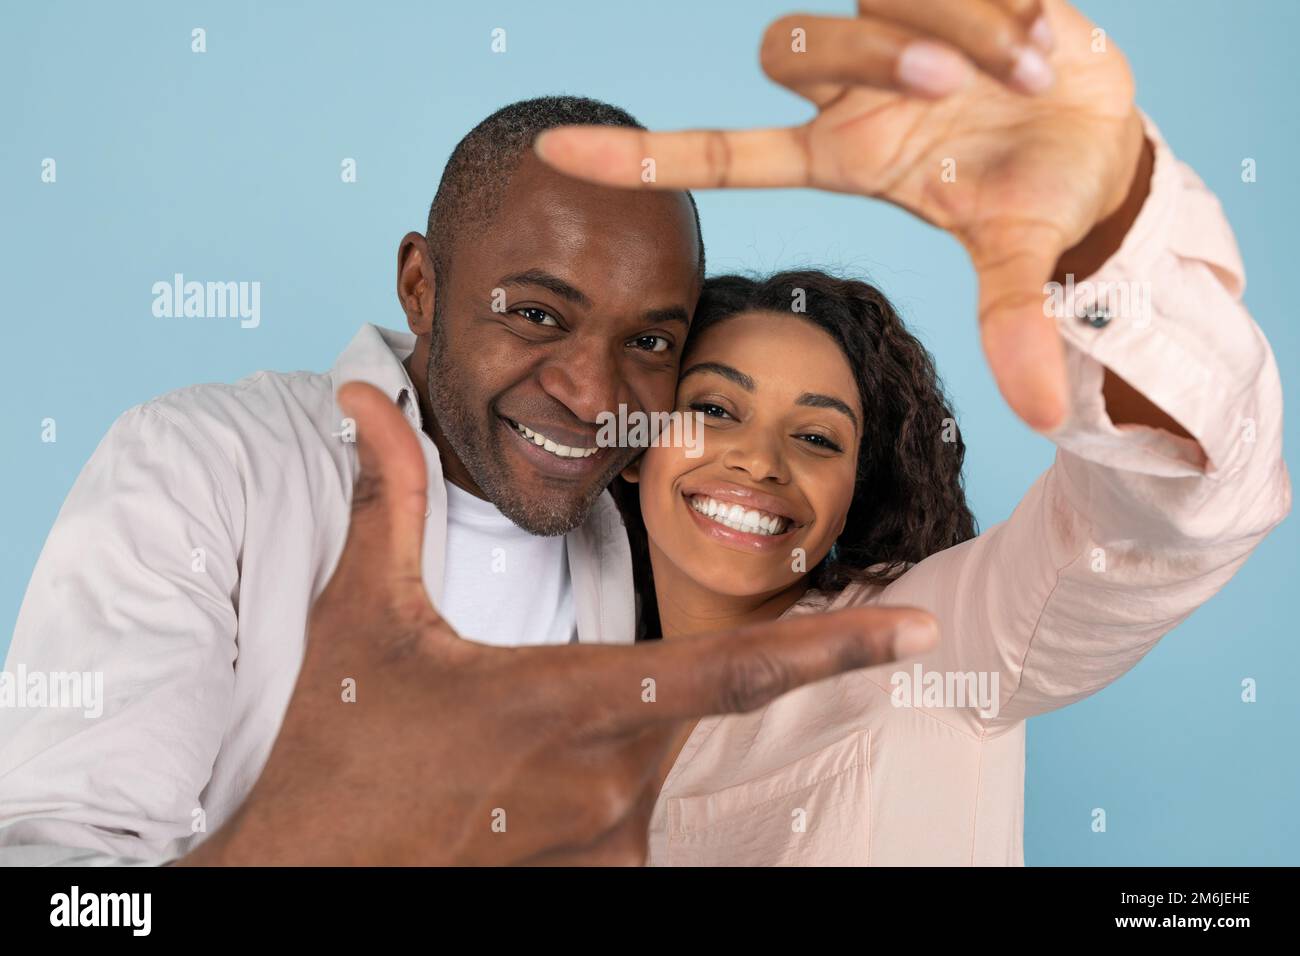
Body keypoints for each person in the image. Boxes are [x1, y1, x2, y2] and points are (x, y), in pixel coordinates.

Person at [0, 95, 935, 867]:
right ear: (420, 285)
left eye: (648, 341)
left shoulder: (627, 531)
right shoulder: (202, 467)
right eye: (535, 313)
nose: (590, 394)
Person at [534, 0, 1291, 864]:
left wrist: (1101, 232)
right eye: (713, 408)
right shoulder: (572, 703)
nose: (758, 460)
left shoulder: (921, 645)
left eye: (818, 438)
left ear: (856, 486)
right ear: (638, 446)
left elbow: (1169, 515)